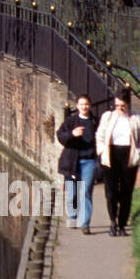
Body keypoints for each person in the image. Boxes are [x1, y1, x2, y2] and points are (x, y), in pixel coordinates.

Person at [96, 88, 140, 236]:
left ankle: (122, 224)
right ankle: (113, 222)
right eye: (117, 105)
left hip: (128, 155)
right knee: (111, 192)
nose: (119, 108)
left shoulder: (136, 118)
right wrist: (101, 151)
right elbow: (100, 135)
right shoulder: (108, 117)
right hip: (111, 155)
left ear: (128, 104)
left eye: (122, 105)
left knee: (126, 192)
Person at [56, 95, 99, 233]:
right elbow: (61, 136)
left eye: (86, 104)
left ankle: (85, 223)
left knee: (85, 191)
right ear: (77, 106)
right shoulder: (71, 120)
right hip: (72, 161)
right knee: (72, 193)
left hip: (89, 161)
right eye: (81, 104)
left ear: (90, 105)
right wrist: (72, 134)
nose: (84, 107)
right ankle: (73, 217)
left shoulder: (94, 122)